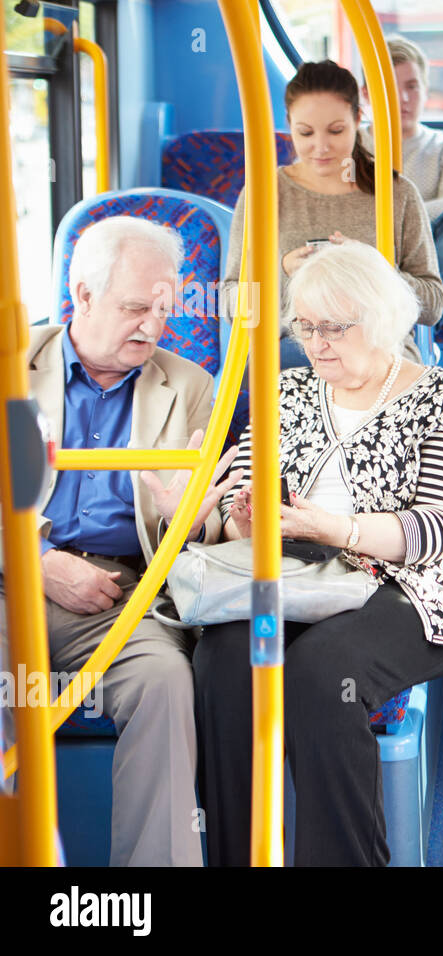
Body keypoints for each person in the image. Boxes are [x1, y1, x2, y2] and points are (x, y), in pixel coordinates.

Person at [194, 242, 443, 866]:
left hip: (400, 589)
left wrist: (336, 529)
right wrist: (232, 518)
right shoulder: (285, 392)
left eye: (335, 326)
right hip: (289, 574)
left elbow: (441, 528)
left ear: (380, 319)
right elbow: (233, 507)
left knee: (324, 676)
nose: (317, 343)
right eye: (306, 326)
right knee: (223, 659)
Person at [0, 217, 240, 865]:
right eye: (135, 307)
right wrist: (39, 562)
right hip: (13, 581)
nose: (152, 326)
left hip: (123, 594)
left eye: (163, 310)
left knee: (165, 680)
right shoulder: (11, 368)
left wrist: (184, 521)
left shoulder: (191, 387)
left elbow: (205, 533)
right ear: (80, 295)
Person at [220, 59, 443, 369]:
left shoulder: (396, 193)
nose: (321, 147)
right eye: (306, 133)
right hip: (296, 347)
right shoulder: (263, 193)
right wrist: (284, 274)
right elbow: (232, 305)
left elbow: (432, 304)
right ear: (289, 125)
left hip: (376, 349)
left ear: (358, 120)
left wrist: (375, 271)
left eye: (336, 131)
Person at [361, 36, 443, 334]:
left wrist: (390, 219)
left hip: (426, 261)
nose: (403, 99)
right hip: (365, 256)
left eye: (412, 87)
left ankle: (416, 330)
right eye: (390, 89)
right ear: (367, 95)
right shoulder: (348, 145)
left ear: (426, 90)